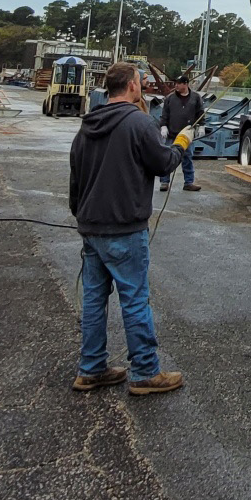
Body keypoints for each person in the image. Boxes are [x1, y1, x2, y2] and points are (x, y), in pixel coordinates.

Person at [69, 61, 188, 395]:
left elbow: (75, 176)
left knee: (94, 300)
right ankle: (146, 374)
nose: (141, 84)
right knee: (134, 300)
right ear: (133, 86)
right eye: (140, 80)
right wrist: (181, 143)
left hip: (91, 228)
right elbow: (163, 163)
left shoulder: (87, 124)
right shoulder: (139, 123)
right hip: (124, 229)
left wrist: (81, 216)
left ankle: (91, 369)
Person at [158, 73, 205, 191]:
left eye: (178, 83)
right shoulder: (170, 98)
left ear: (185, 84)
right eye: (176, 83)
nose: (176, 86)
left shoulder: (196, 98)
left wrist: (201, 126)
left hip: (186, 135)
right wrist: (163, 126)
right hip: (172, 134)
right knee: (167, 158)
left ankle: (188, 182)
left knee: (187, 158)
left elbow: (200, 113)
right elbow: (165, 114)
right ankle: (164, 182)